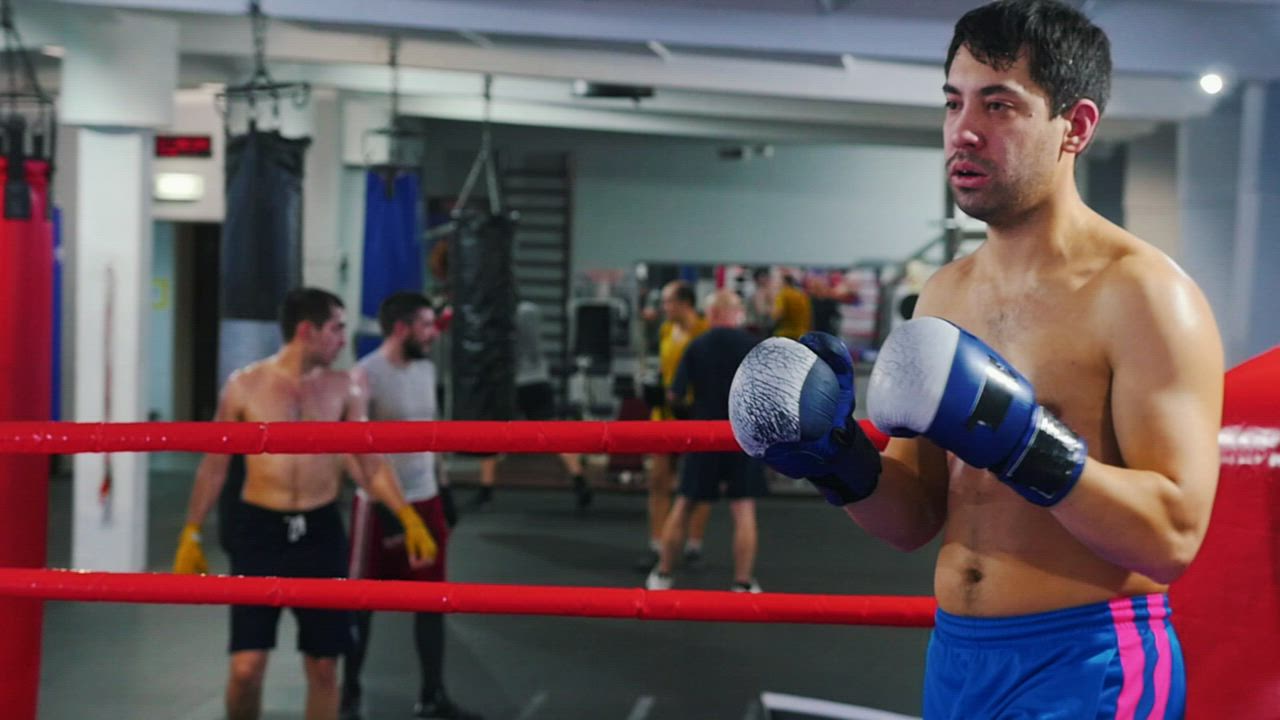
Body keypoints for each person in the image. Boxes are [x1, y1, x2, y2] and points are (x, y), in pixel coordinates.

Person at [729, 2, 1222, 717]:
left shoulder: (1144, 295)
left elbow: (1173, 538)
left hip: (1088, 663)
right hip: (958, 659)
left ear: (1075, 127)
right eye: (954, 101)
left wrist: (1024, 442)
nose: (964, 130)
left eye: (1000, 105)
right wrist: (838, 460)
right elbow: (912, 519)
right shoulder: (945, 293)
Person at [172, 287, 437, 720]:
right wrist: (192, 530)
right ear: (306, 330)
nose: (342, 339)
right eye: (336, 329)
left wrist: (406, 515)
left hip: (319, 531)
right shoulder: (246, 386)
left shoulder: (345, 387)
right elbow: (214, 464)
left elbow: (369, 463)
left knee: (323, 667)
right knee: (247, 667)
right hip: (260, 532)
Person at [341, 292, 480, 720]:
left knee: (433, 601)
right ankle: (348, 695)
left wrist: (444, 485)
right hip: (380, 506)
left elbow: (432, 431)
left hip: (426, 499)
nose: (432, 333)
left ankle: (433, 693)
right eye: (424, 325)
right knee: (360, 603)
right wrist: (385, 506)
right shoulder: (365, 375)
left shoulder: (426, 369)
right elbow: (351, 450)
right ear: (401, 328)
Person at [646, 290, 765, 593]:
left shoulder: (697, 346)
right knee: (743, 510)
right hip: (743, 436)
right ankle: (742, 582)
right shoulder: (754, 347)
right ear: (738, 314)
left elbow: (674, 395)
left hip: (705, 435)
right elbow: (770, 394)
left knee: (684, 504)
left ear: (711, 315)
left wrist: (687, 417)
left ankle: (662, 574)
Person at [470, 299, 591, 509]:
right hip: (534, 380)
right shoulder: (525, 311)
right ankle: (580, 481)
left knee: (492, 433)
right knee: (551, 432)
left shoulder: (513, 313)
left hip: (517, 383)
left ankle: (486, 489)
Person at [640, 280, 712, 569]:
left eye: (668, 302)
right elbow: (664, 370)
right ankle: (657, 544)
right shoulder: (667, 330)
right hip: (664, 416)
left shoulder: (705, 333)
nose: (663, 307)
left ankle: (694, 545)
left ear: (684, 303)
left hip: (695, 416)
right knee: (658, 481)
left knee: (696, 486)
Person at [771, 273, 812, 339]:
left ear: (784, 283)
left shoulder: (783, 294)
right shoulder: (801, 294)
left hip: (785, 334)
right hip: (801, 333)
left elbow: (778, 314)